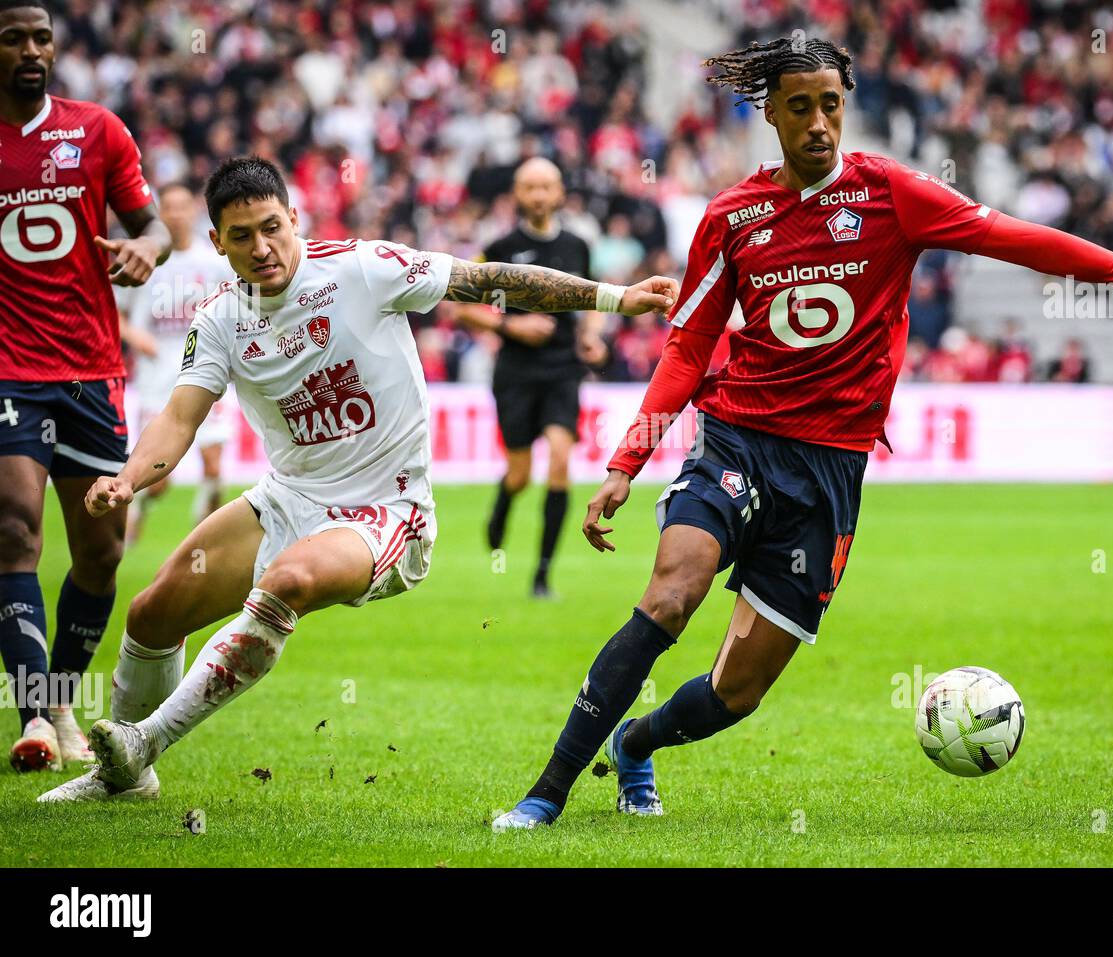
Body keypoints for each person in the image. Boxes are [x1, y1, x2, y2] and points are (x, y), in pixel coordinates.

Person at [493, 36, 1113, 828]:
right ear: (770, 113)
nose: (821, 122)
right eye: (801, 106)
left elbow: (1018, 239)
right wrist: (628, 460)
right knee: (671, 592)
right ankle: (546, 792)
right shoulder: (733, 217)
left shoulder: (893, 194)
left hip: (828, 471)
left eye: (832, 103)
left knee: (739, 690)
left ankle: (636, 744)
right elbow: (689, 347)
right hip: (735, 439)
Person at [39, 155, 676, 802]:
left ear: (294, 217)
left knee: (287, 583)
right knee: (151, 613)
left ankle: (145, 740)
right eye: (241, 237)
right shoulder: (219, 320)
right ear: (216, 243)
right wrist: (126, 479)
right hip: (288, 499)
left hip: (385, 512)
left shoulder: (363, 267)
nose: (261, 248)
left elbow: (486, 280)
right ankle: (122, 777)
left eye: (271, 228)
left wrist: (613, 297)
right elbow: (178, 421)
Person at [0, 0, 171, 772]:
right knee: (12, 528)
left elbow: (156, 226)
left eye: (41, 37)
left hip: (91, 369)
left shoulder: (97, 129)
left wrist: (144, 250)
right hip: (7, 369)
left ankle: (63, 696)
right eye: (13, 39)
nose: (31, 50)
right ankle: (33, 712)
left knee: (100, 550)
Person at [455, 157, 608, 598]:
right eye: (530, 187)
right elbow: (462, 305)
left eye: (546, 187)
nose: (539, 195)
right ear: (517, 195)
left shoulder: (578, 245)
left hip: (562, 370)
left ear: (559, 193)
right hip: (516, 372)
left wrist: (592, 338)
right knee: (520, 474)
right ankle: (504, 503)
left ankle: (542, 576)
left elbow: (593, 301)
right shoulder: (499, 247)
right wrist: (510, 326)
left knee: (561, 459)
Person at [118, 182, 232, 546]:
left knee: (214, 466)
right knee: (158, 479)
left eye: (184, 207)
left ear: (195, 211)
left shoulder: (214, 263)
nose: (178, 215)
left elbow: (236, 312)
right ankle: (138, 510)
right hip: (156, 382)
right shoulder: (144, 261)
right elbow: (114, 316)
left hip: (205, 376)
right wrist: (138, 338)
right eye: (169, 208)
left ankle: (203, 540)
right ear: (159, 214)